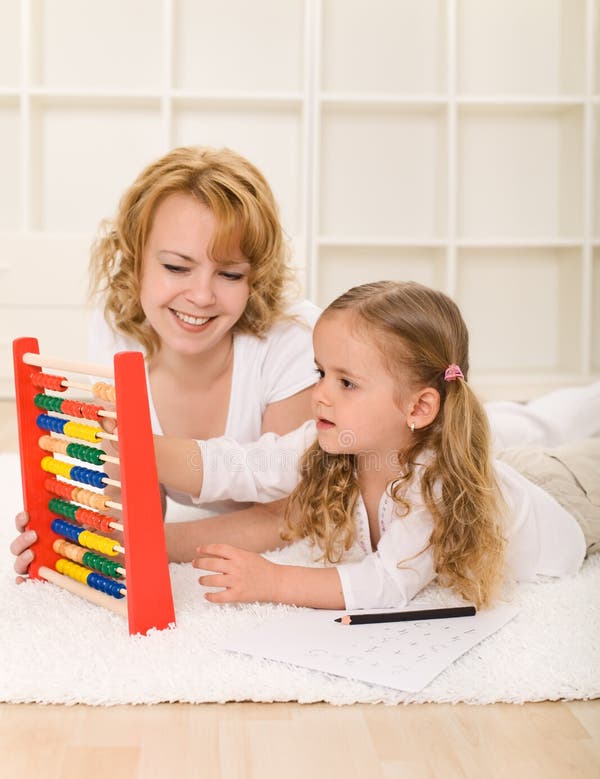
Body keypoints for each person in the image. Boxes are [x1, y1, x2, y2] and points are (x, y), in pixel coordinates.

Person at [146, 280, 599, 610]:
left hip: (569, 501)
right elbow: (246, 466)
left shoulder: (431, 484)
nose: (320, 393)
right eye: (320, 373)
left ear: (418, 408)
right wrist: (146, 449)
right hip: (514, 475)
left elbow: (386, 584)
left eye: (347, 382)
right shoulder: (332, 438)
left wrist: (275, 580)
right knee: (533, 430)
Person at [11, 144, 323, 578]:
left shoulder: (294, 341)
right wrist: (71, 536)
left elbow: (291, 514)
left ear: (256, 276)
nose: (201, 296)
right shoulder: (117, 332)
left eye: (230, 274)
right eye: (177, 267)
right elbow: (141, 498)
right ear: (135, 261)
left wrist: (146, 544)